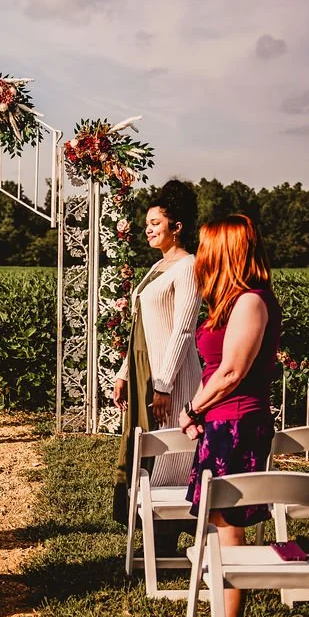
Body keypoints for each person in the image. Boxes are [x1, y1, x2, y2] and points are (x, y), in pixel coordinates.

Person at [178, 214, 282, 617]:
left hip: (236, 423)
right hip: (224, 421)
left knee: (228, 525)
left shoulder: (251, 302)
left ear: (226, 251)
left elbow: (232, 371)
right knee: (220, 522)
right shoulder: (235, 300)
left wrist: (192, 410)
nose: (201, 256)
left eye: (206, 247)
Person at [111, 180, 202, 547]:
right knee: (144, 446)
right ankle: (148, 527)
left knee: (170, 453)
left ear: (176, 227)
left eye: (155, 223)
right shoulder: (159, 266)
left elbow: (182, 330)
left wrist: (163, 384)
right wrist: (123, 373)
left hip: (171, 376)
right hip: (144, 373)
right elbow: (141, 326)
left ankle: (168, 535)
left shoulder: (189, 267)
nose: (148, 229)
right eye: (147, 223)